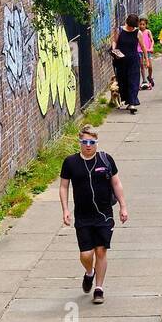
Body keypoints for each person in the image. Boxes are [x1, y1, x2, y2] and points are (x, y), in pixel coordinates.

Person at [59, 125, 127, 307]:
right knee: (86, 254)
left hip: (104, 215)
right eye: (85, 142)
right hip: (83, 215)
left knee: (101, 250)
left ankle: (99, 288)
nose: (88, 146)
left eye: (92, 142)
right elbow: (64, 186)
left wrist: (123, 206)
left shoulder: (106, 160)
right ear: (79, 142)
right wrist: (65, 209)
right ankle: (89, 272)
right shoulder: (70, 162)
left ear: (97, 143)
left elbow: (116, 183)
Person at [111, 13, 141, 113]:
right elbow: (114, 41)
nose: (131, 28)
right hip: (121, 61)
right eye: (130, 26)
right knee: (123, 81)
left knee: (133, 80)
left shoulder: (137, 32)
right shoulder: (119, 30)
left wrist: (146, 59)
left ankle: (132, 103)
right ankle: (128, 100)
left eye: (133, 27)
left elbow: (143, 47)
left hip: (133, 60)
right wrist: (114, 49)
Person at [136, 16, 154, 90]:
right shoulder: (137, 32)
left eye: (143, 24)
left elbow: (152, 40)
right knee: (141, 65)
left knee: (150, 66)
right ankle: (144, 80)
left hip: (148, 50)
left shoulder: (148, 31)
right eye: (140, 24)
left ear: (146, 25)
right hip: (139, 50)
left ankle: (149, 76)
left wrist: (151, 47)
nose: (142, 26)